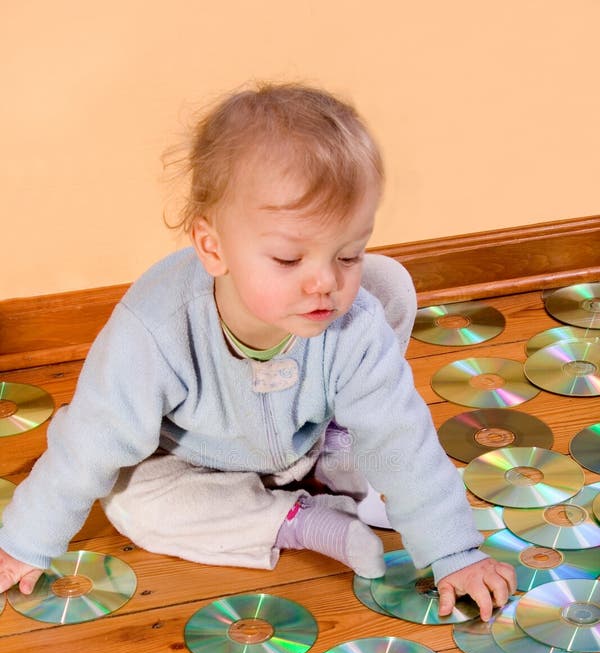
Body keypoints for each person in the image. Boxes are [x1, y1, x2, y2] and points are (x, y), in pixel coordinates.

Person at [0, 82, 516, 620]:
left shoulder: (349, 320)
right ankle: (298, 520)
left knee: (388, 285)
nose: (324, 283)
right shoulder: (155, 329)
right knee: (132, 503)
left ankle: (341, 449)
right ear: (213, 247)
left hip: (310, 434)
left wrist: (453, 550)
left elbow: (401, 436)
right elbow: (89, 442)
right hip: (195, 462)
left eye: (348, 254)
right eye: (290, 260)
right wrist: (23, 542)